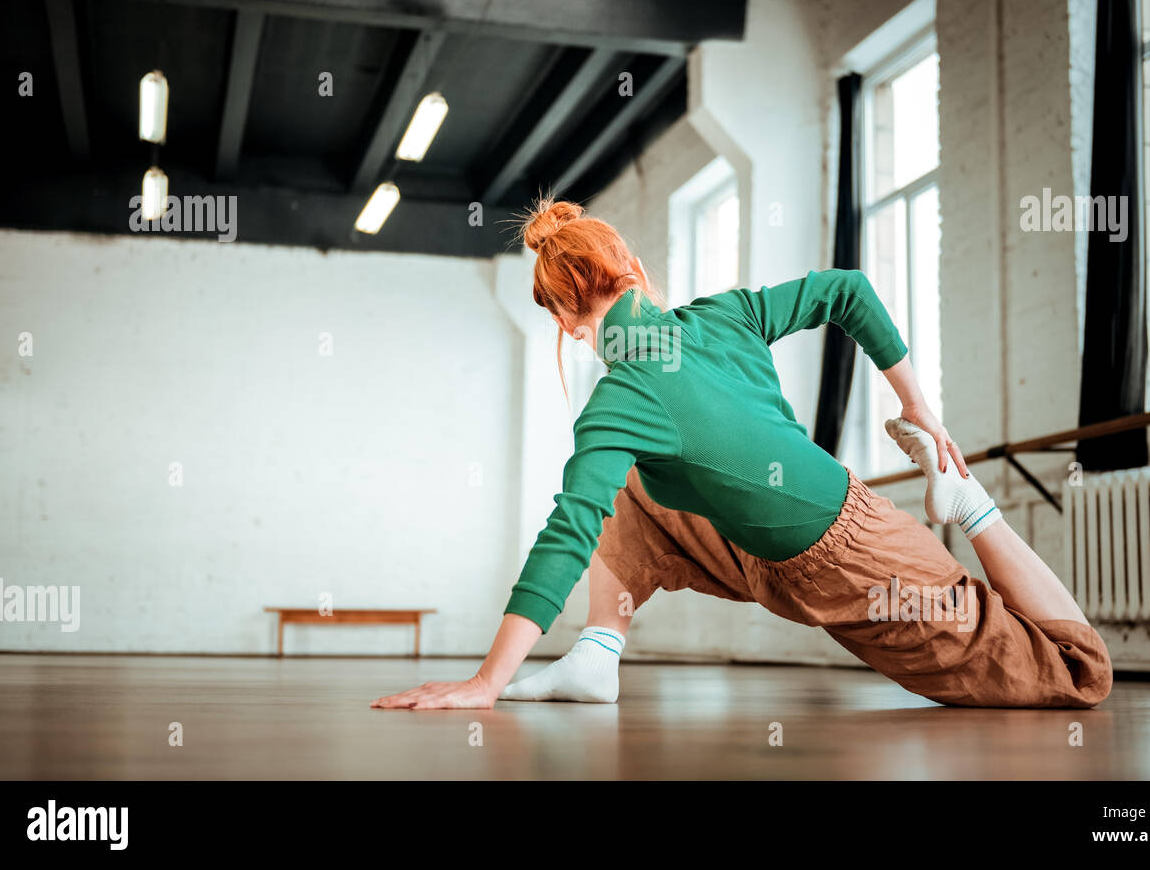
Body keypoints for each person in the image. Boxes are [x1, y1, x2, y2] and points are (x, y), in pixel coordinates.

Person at [371, 200, 1112, 711]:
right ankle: (597, 653)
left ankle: (966, 501)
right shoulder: (723, 316)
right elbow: (845, 291)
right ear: (631, 267)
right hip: (767, 552)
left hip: (858, 560)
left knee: (1079, 676)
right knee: (632, 486)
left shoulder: (621, 398)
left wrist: (487, 682)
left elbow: (568, 530)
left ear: (566, 321)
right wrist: (913, 400)